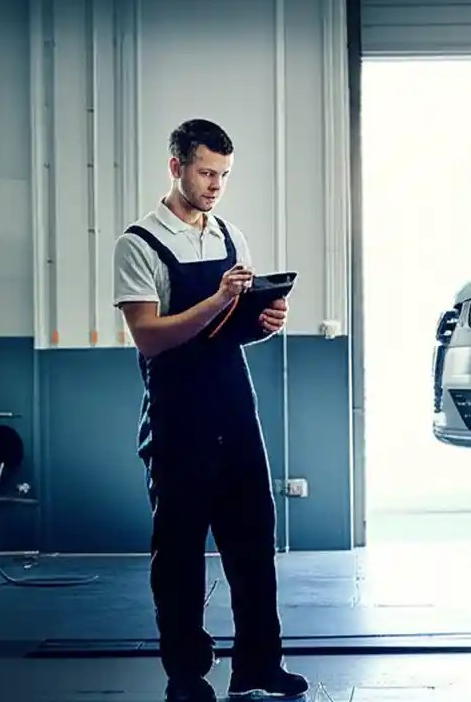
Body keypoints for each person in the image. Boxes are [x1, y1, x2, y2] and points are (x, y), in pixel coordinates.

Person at [112, 119, 309, 702]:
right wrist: (220, 297)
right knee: (178, 551)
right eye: (205, 173)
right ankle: (186, 675)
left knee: (254, 541)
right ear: (176, 167)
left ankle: (258, 666)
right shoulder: (138, 243)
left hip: (234, 409)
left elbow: (231, 329)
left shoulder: (229, 236)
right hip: (177, 417)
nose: (215, 185)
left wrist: (265, 322)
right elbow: (149, 336)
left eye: (223, 175)